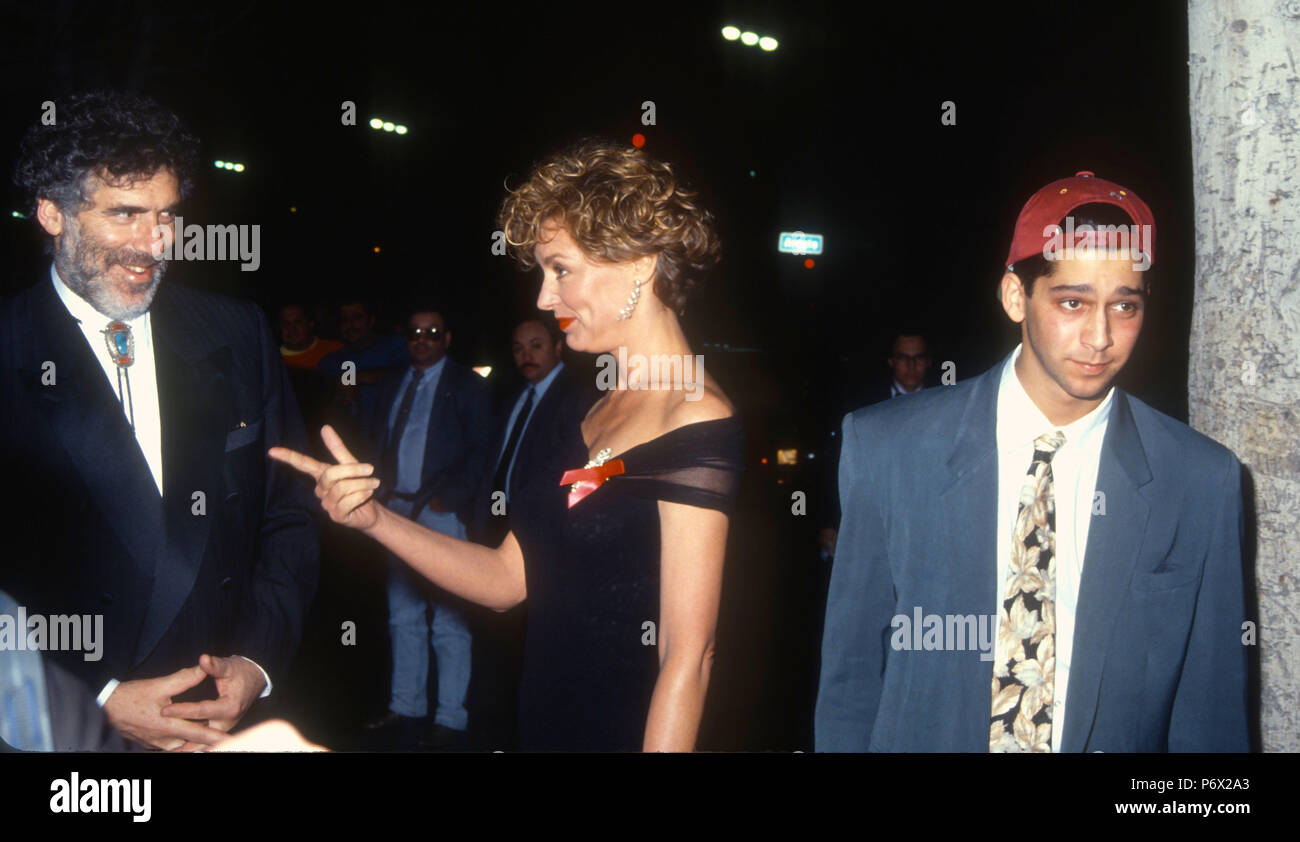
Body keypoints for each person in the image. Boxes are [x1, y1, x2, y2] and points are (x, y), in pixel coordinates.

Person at [273, 138, 743, 751]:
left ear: (639, 263)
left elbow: (690, 656)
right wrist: (373, 520)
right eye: (544, 274)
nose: (546, 299)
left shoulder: (696, 416)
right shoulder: (586, 409)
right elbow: (505, 579)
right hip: (544, 719)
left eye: (562, 269)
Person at [816, 171, 1249, 752]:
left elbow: (1211, 713)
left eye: (1125, 306)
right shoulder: (890, 448)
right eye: (1073, 302)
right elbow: (850, 679)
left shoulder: (1199, 478)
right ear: (1015, 297)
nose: (1100, 336)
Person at [0, 90, 320, 751]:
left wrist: (255, 665)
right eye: (124, 214)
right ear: (52, 213)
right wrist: (99, 695)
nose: (154, 243)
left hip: (213, 718)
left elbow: (289, 509)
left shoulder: (235, 333)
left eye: (167, 216)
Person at [364, 305, 492, 750]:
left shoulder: (467, 386)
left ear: (448, 338)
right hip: (395, 512)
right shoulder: (394, 382)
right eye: (415, 333)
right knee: (403, 616)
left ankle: (451, 717)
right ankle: (406, 707)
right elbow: (378, 439)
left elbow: (482, 449)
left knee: (450, 620)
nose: (422, 340)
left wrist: (451, 498)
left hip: (440, 514)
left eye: (432, 333)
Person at [467, 316, 598, 749]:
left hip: (542, 544)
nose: (527, 355)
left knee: (529, 656)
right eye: (520, 347)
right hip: (496, 535)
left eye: (536, 345)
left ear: (558, 347)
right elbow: (496, 462)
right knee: (494, 649)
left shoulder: (578, 400)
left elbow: (574, 478)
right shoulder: (514, 397)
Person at [817, 330, 935, 560]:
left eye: (918, 358)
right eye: (903, 358)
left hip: (927, 525)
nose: (911, 366)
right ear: (891, 362)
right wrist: (829, 522)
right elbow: (837, 464)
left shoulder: (947, 406)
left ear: (928, 362)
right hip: (873, 524)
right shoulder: (863, 408)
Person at [278, 302, 343, 370]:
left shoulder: (335, 350)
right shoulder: (273, 359)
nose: (291, 328)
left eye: (298, 322)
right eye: (286, 323)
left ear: (310, 324)